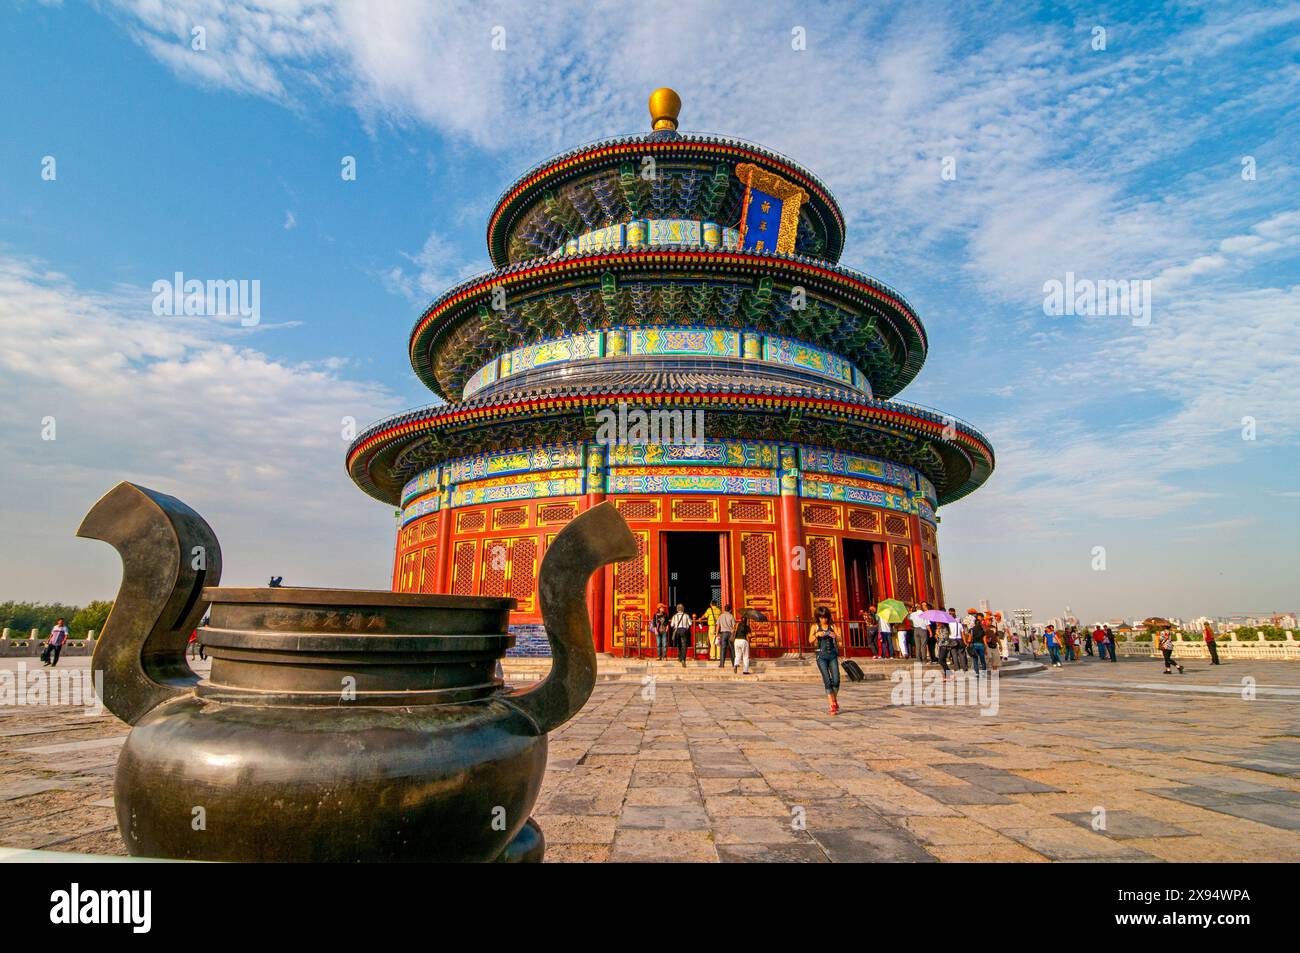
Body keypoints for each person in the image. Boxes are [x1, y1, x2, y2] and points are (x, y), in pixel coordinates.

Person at [808, 606, 841, 715]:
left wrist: (835, 635)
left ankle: (834, 699)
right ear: (818, 617)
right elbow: (810, 640)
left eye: (825, 617)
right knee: (827, 679)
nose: (824, 620)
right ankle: (832, 704)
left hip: (832, 654)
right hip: (821, 655)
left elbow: (840, 638)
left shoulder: (832, 626)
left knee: (836, 679)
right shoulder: (815, 626)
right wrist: (817, 634)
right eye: (821, 618)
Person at [716, 603, 736, 669]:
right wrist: (733, 633)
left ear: (724, 609)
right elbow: (734, 626)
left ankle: (722, 664)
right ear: (730, 610)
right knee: (732, 649)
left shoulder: (720, 616)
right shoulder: (731, 616)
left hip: (723, 634)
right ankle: (734, 664)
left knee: (723, 649)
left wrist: (716, 633)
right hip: (730, 633)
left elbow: (718, 625)